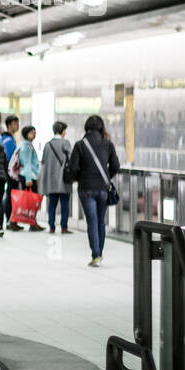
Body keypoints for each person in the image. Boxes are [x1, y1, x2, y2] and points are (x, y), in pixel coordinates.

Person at [66, 114, 120, 268]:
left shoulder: (80, 145)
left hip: (86, 189)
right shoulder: (107, 144)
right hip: (103, 188)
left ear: (86, 128)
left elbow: (74, 168)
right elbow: (115, 166)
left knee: (92, 221)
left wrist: (79, 177)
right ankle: (99, 253)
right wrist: (105, 177)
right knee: (100, 221)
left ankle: (96, 254)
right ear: (101, 127)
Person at [39, 121, 73, 234]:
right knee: (64, 205)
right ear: (62, 131)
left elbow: (43, 161)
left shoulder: (47, 145)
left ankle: (52, 227)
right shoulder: (66, 143)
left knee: (52, 205)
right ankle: (64, 227)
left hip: (51, 181)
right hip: (63, 180)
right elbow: (71, 159)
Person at [17, 125, 43, 231]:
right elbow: (27, 163)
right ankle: (32, 223)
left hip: (29, 175)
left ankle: (33, 222)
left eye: (35, 132)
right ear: (26, 134)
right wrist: (28, 179)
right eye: (32, 132)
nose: (34, 134)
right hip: (29, 176)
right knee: (32, 201)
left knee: (31, 201)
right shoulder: (26, 147)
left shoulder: (26, 145)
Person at [0, 114, 21, 230]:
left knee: (9, 195)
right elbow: (8, 158)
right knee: (10, 195)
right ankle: (10, 220)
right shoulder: (8, 141)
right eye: (15, 124)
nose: (17, 126)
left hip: (7, 172)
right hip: (10, 172)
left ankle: (9, 219)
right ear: (9, 125)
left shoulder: (5, 138)